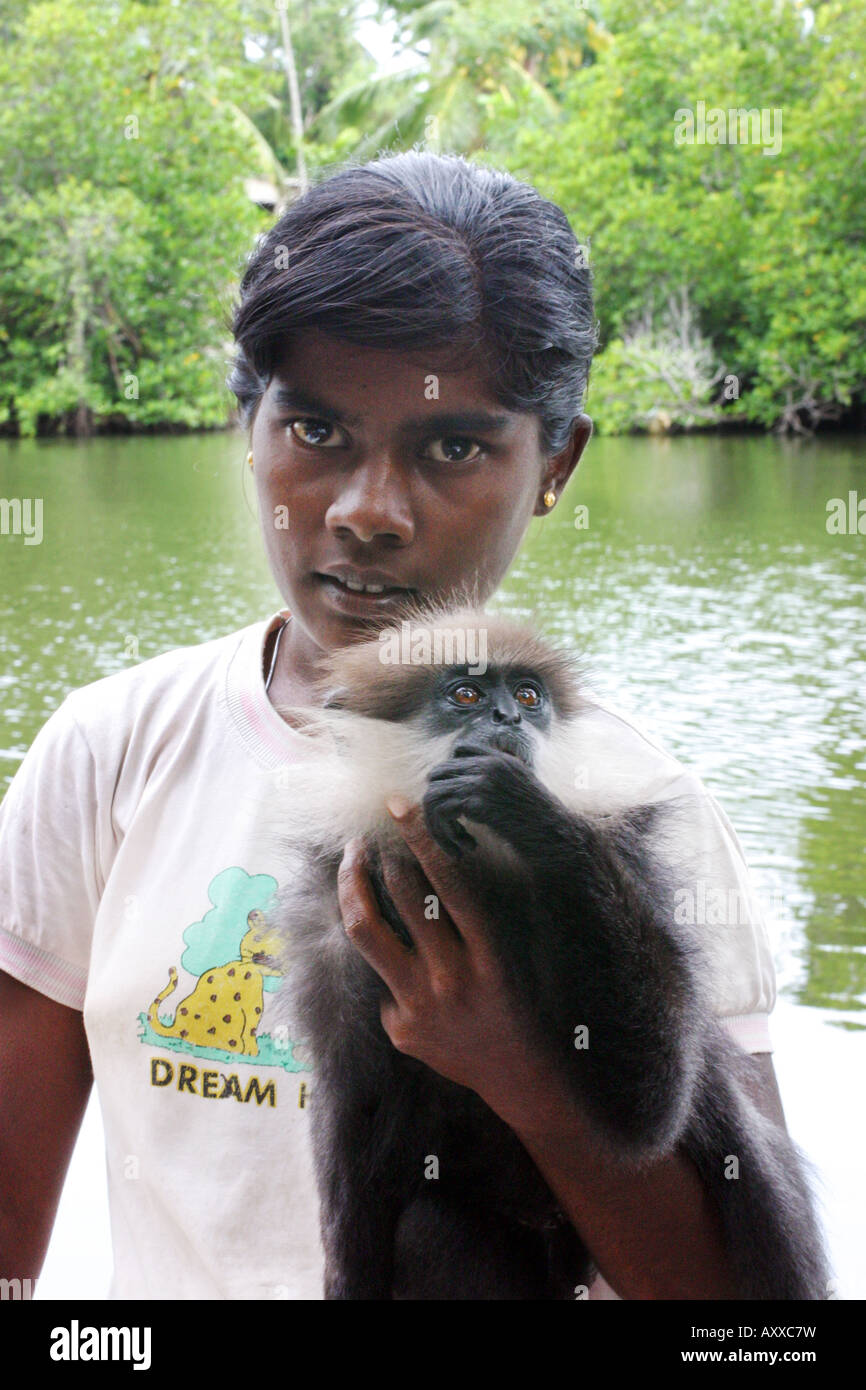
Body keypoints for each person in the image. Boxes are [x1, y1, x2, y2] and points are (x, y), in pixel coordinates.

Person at [0, 151, 781, 1301]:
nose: (367, 513)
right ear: (247, 427)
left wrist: (525, 1075)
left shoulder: (623, 799)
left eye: (452, 447)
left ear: (553, 464)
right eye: (315, 432)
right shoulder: (111, 749)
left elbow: (760, 1308)